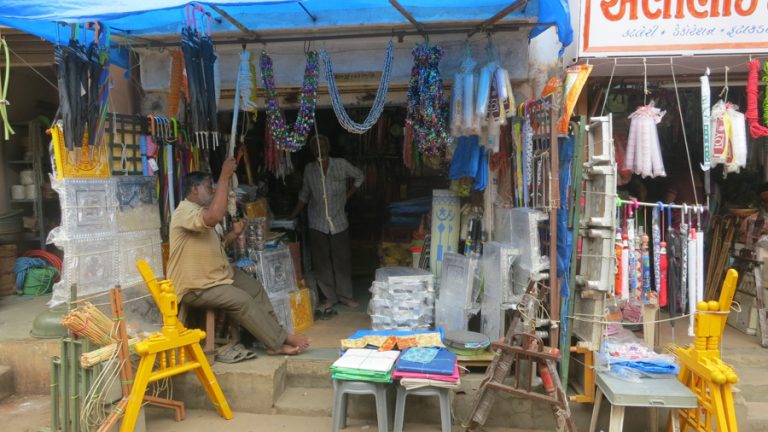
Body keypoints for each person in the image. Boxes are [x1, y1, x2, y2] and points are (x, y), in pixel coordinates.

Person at [168, 158, 310, 356]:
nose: (212, 191)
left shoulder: (200, 213)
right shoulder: (184, 212)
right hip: (196, 285)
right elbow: (215, 215)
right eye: (209, 187)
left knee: (256, 289)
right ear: (194, 190)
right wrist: (225, 176)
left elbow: (217, 247)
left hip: (218, 276)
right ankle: (276, 343)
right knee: (242, 300)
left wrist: (233, 235)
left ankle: (279, 335)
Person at [288, 135, 364, 311]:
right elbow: (304, 194)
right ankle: (330, 297)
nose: (319, 148)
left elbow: (360, 176)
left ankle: (345, 296)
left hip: (338, 221)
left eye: (323, 144)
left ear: (329, 147)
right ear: (312, 150)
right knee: (322, 262)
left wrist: (348, 196)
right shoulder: (310, 169)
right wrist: (292, 215)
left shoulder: (340, 164)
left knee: (342, 260)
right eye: (315, 146)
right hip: (317, 221)